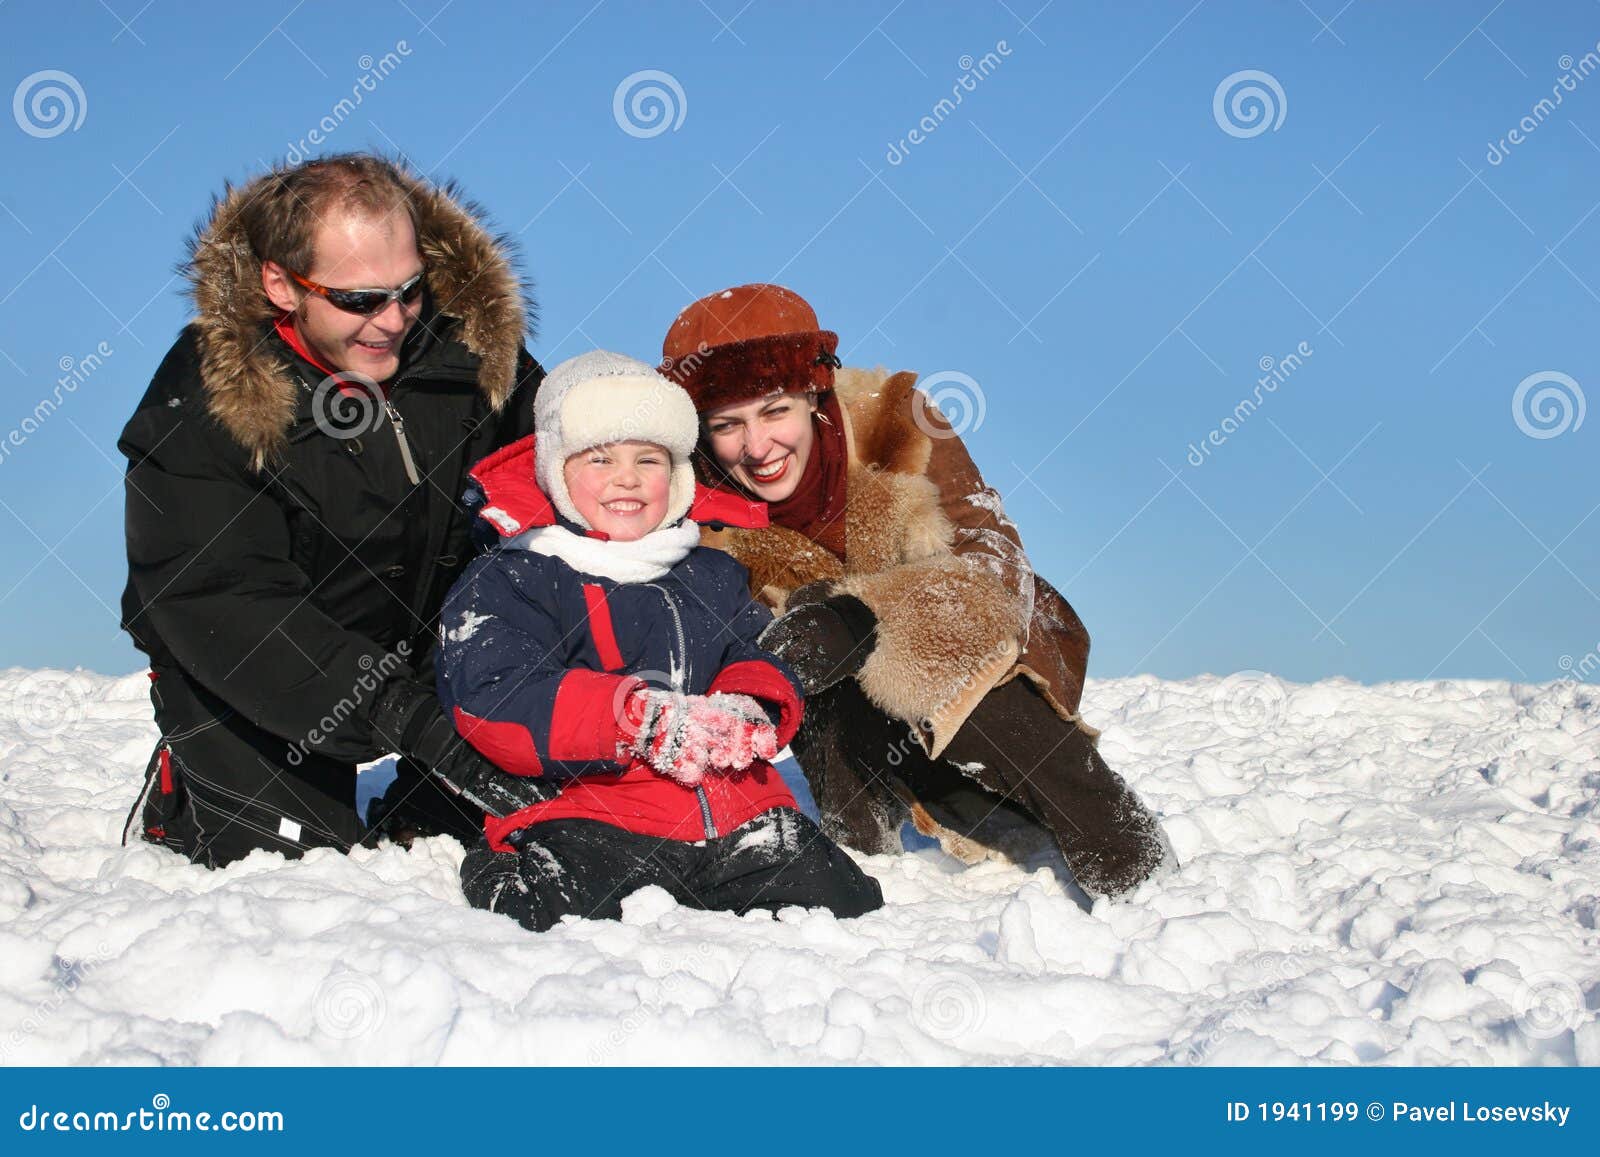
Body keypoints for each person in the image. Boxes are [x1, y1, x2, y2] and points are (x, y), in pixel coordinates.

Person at [661, 283, 1177, 902]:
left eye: (775, 411)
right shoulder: (701, 516)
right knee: (798, 648)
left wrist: (861, 614)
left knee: (917, 641)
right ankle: (867, 860)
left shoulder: (898, 419)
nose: (758, 446)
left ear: (814, 394)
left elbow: (994, 557)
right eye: (728, 425)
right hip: (856, 721)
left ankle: (1127, 854)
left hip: (990, 675)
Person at [119, 153, 549, 868]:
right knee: (296, 872)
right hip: (256, 666)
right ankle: (190, 789)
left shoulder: (467, 348)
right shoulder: (206, 402)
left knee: (515, 831)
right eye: (358, 300)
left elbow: (566, 464)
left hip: (430, 654)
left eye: (409, 290)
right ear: (281, 285)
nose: (392, 321)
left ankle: (425, 799)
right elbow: (226, 595)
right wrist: (393, 710)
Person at [436, 351, 883, 932]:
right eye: (600, 458)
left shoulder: (707, 573)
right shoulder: (518, 576)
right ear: (554, 470)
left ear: (675, 474)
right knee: (550, 908)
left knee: (846, 900)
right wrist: (632, 718)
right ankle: (506, 869)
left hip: (737, 812)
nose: (627, 477)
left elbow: (749, 653)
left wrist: (750, 704)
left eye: (648, 458)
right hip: (598, 815)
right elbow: (494, 692)